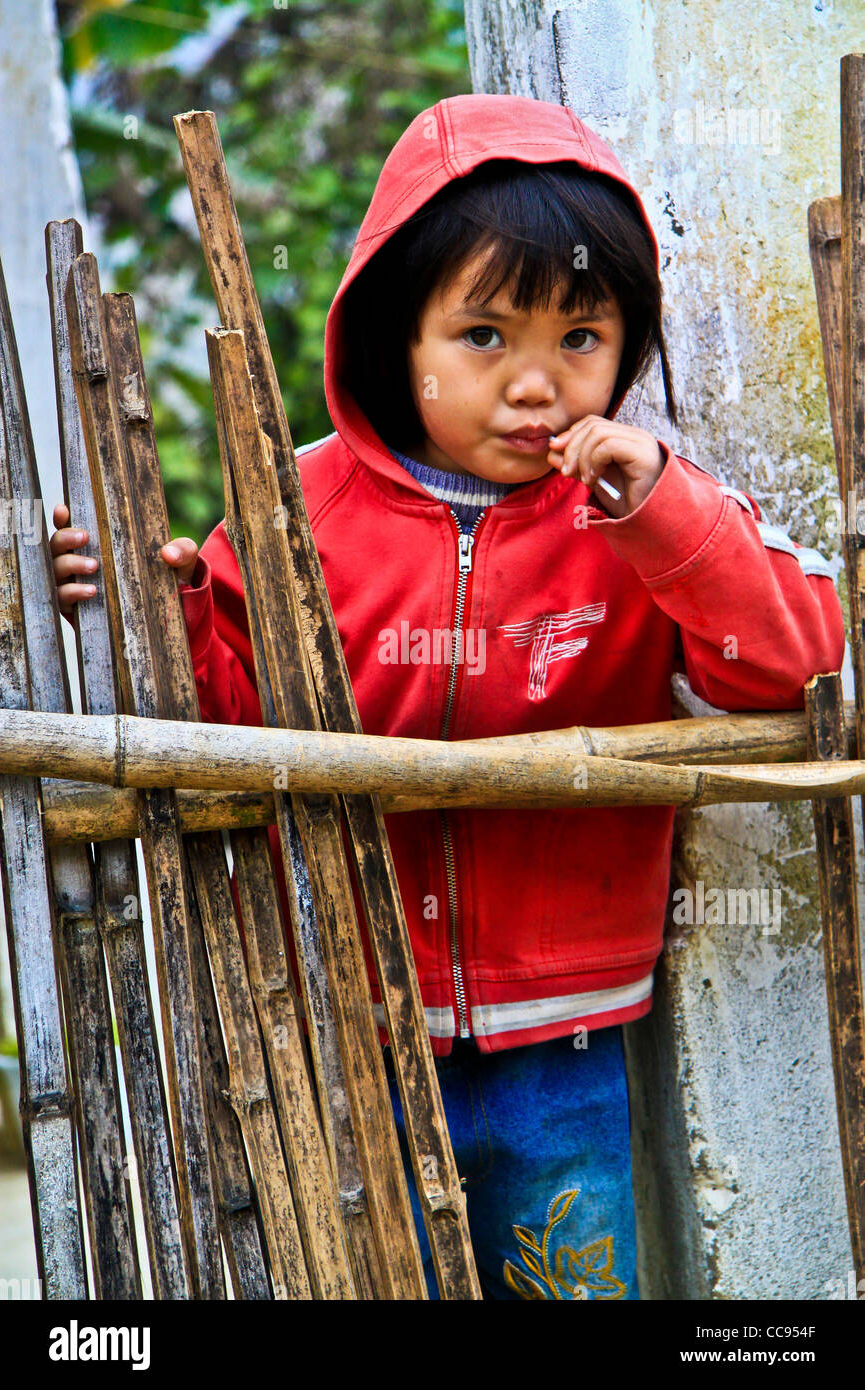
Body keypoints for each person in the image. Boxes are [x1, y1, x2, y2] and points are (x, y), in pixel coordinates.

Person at [51, 93, 845, 1301]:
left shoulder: (634, 512)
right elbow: (219, 720)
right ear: (393, 338)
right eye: (483, 336)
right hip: (347, 1029)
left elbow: (792, 664)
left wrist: (664, 506)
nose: (536, 384)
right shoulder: (295, 506)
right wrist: (132, 607)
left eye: (579, 338)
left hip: (564, 1037)